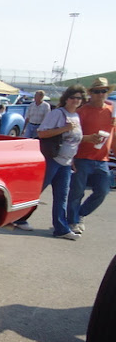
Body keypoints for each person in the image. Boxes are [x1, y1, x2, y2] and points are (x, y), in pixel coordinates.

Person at [34, 84, 101, 240]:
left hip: (66, 162)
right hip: (52, 159)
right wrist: (65, 128)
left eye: (79, 98)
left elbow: (74, 140)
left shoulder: (76, 116)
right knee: (36, 191)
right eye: (72, 97)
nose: (75, 100)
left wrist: (87, 140)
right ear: (66, 98)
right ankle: (18, 218)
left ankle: (61, 229)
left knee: (62, 196)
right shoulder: (57, 113)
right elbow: (42, 133)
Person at [66, 77, 115, 234]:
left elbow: (114, 135)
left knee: (103, 191)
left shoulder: (112, 111)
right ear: (91, 93)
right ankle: (72, 221)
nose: (100, 94)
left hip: (102, 160)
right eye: (96, 91)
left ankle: (79, 214)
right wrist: (72, 157)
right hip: (82, 158)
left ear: (107, 92)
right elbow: (71, 135)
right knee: (77, 192)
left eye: (103, 91)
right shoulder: (82, 112)